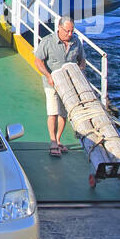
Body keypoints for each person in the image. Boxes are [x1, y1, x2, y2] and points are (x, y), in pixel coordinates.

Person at [34, 17, 86, 156]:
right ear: (59, 28)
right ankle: (52, 142)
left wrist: (78, 72)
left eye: (71, 31)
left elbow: (82, 60)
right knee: (53, 112)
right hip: (52, 83)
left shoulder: (76, 42)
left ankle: (58, 140)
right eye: (67, 31)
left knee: (63, 113)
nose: (69, 34)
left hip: (68, 85)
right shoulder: (48, 42)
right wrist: (48, 76)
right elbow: (38, 60)